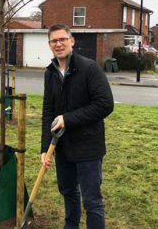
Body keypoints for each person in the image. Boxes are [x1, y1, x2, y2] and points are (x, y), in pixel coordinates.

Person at [41, 23, 114, 229]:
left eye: (62, 39)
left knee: (92, 201)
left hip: (88, 147)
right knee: (68, 192)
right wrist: (45, 148)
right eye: (54, 41)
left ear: (71, 41)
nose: (58, 44)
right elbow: (48, 111)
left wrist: (68, 119)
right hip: (63, 146)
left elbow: (105, 104)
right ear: (49, 45)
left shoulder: (89, 68)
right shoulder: (50, 73)